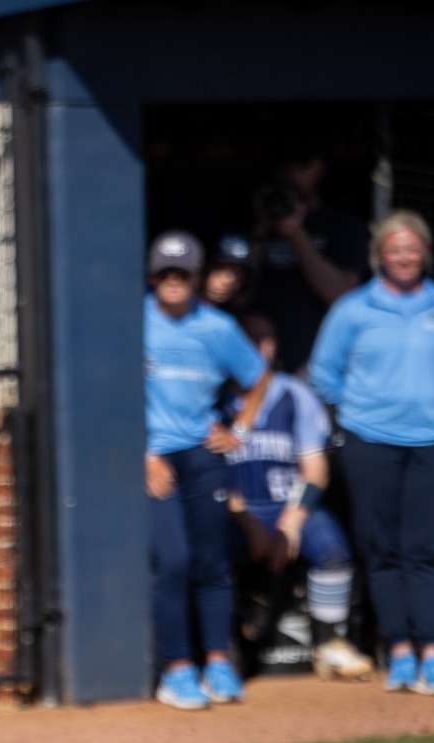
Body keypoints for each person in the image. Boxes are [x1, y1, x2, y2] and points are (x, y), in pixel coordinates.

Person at [310, 210, 434, 695]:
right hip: (370, 442)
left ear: (425, 253)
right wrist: (357, 412)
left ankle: (433, 652)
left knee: (426, 550)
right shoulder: (353, 309)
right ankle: (400, 652)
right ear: (379, 255)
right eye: (394, 249)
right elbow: (324, 372)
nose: (404, 257)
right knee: (382, 549)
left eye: (412, 249)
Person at [143, 230, 269, 710]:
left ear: (197, 278)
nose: (173, 281)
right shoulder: (134, 321)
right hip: (155, 458)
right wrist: (144, 454)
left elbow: (258, 378)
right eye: (165, 273)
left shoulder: (217, 327)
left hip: (202, 454)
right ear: (152, 277)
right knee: (173, 561)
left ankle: (218, 661)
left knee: (212, 562)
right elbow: (111, 393)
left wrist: (240, 429)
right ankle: (176, 669)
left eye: (182, 273)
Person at [221, 312, 374, 681]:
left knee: (332, 549)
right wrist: (250, 524)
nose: (258, 346)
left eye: (266, 338)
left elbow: (315, 470)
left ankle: (329, 643)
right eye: (249, 338)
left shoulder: (294, 393)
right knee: (210, 558)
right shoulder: (215, 395)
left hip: (287, 505)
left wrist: (292, 520)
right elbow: (207, 475)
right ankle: (222, 649)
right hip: (233, 509)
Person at [252, 148, 370, 376]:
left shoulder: (342, 225)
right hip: (260, 365)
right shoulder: (258, 224)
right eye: (285, 166)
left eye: (301, 165)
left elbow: (343, 296)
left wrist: (297, 235)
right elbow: (240, 293)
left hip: (318, 366)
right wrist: (258, 230)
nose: (291, 174)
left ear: (319, 168)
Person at [204, 234, 258, 316]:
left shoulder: (242, 318)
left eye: (237, 273)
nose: (228, 280)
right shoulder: (184, 308)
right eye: (221, 269)